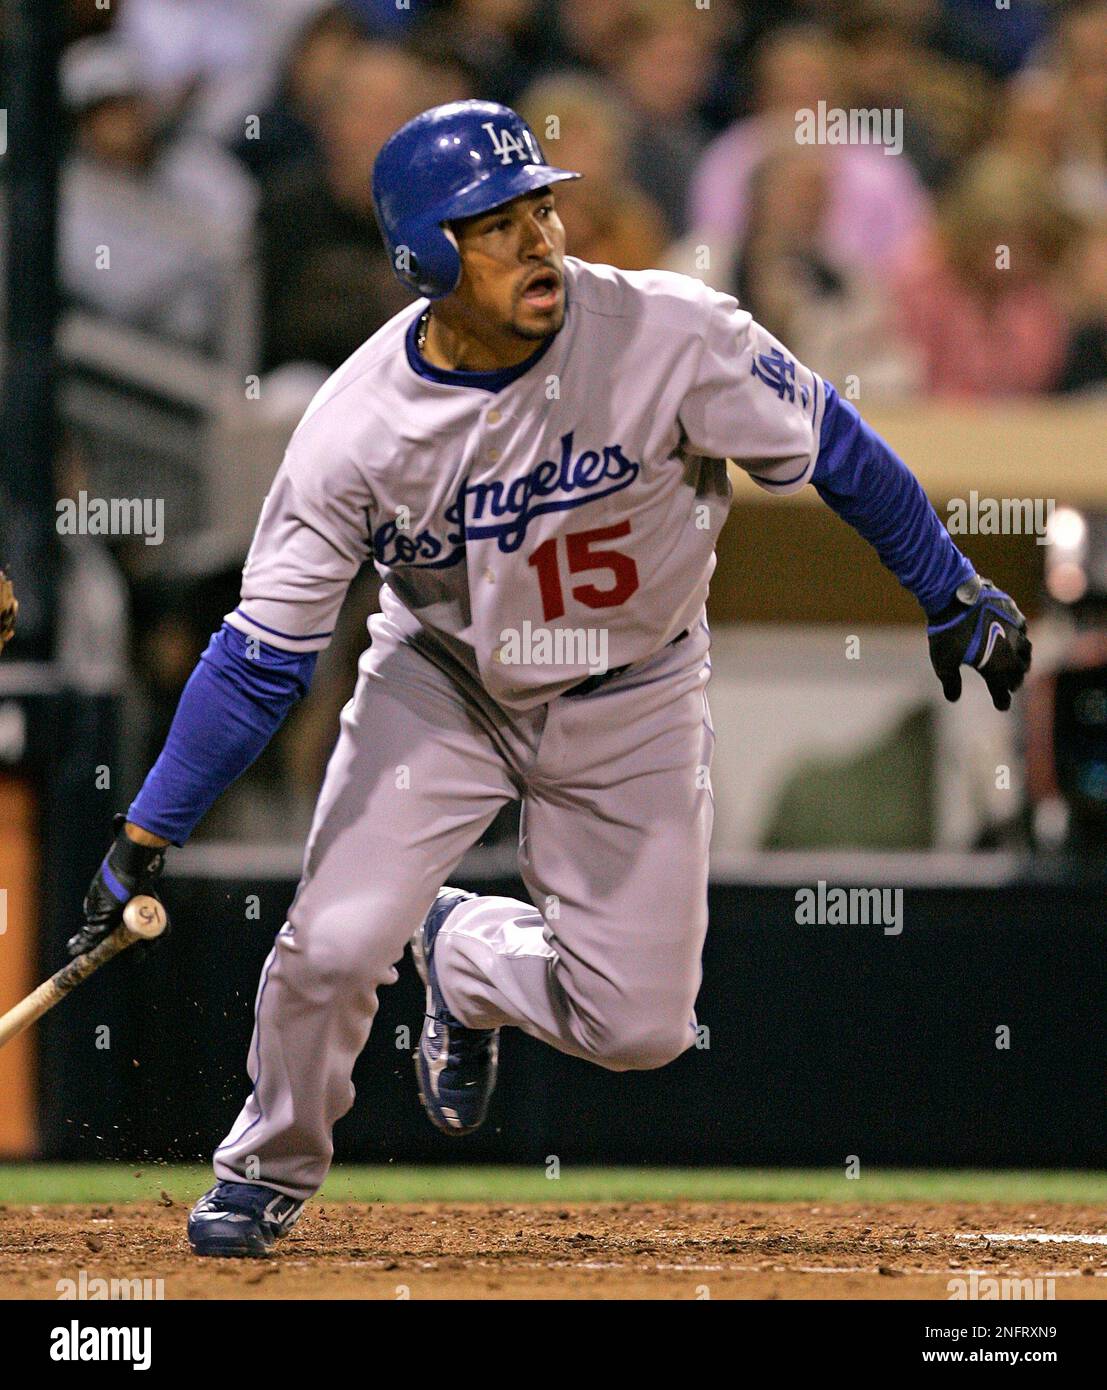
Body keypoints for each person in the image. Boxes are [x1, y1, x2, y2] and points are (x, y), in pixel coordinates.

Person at [66, 102, 1032, 1258]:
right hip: (446, 686)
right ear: (425, 255)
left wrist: (949, 586)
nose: (540, 241)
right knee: (330, 944)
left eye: (542, 209)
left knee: (641, 1028)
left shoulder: (670, 332)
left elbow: (836, 445)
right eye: (495, 224)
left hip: (636, 691)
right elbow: (262, 657)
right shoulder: (355, 427)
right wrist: (147, 828)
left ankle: (464, 952)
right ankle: (268, 1164)